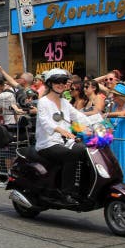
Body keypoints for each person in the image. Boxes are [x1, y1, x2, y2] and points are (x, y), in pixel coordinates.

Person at [35, 69, 88, 204]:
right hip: (48, 143)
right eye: (57, 81)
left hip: (65, 142)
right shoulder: (43, 102)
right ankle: (66, 193)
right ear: (50, 83)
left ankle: (83, 190)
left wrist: (100, 123)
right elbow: (45, 121)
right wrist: (60, 130)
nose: (60, 84)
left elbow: (78, 116)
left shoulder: (64, 102)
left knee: (86, 151)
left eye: (63, 81)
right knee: (71, 155)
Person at [105, 83, 125, 189]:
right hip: (115, 135)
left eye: (115, 95)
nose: (113, 97)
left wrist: (106, 114)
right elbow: (109, 121)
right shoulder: (113, 106)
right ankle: (117, 185)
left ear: (121, 96)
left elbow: (123, 113)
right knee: (115, 160)